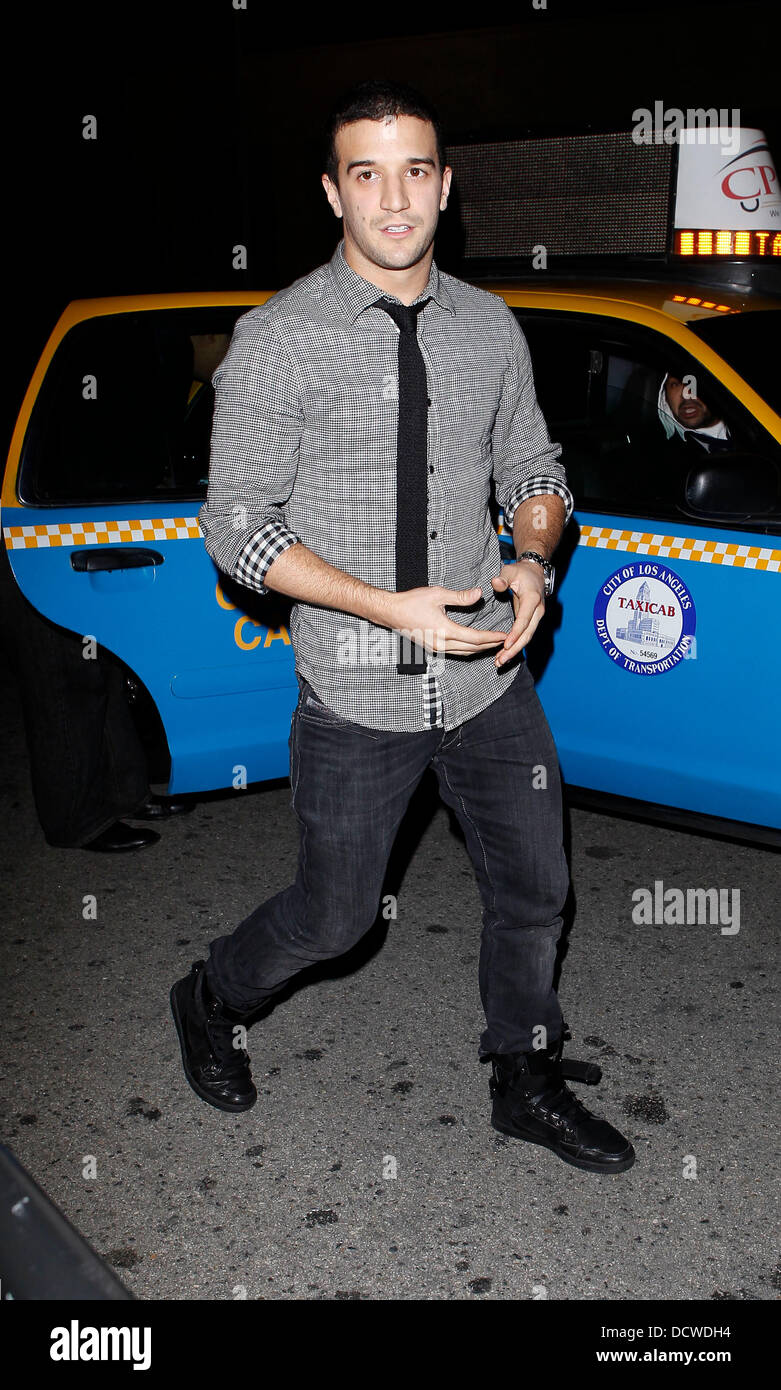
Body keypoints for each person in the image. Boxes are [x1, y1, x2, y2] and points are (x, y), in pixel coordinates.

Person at [170, 81, 634, 1174]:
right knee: (336, 919)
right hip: (356, 691)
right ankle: (207, 996)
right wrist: (385, 605)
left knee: (534, 886)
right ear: (332, 191)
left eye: (415, 169)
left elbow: (534, 467)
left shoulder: (490, 327)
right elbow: (234, 530)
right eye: (366, 173)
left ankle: (523, 1074)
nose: (394, 195)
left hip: (485, 684)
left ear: (446, 184)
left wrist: (529, 556)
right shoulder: (279, 339)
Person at [658, 371, 733, 453]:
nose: (686, 395)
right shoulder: (664, 452)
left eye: (693, 382)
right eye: (675, 385)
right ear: (665, 397)